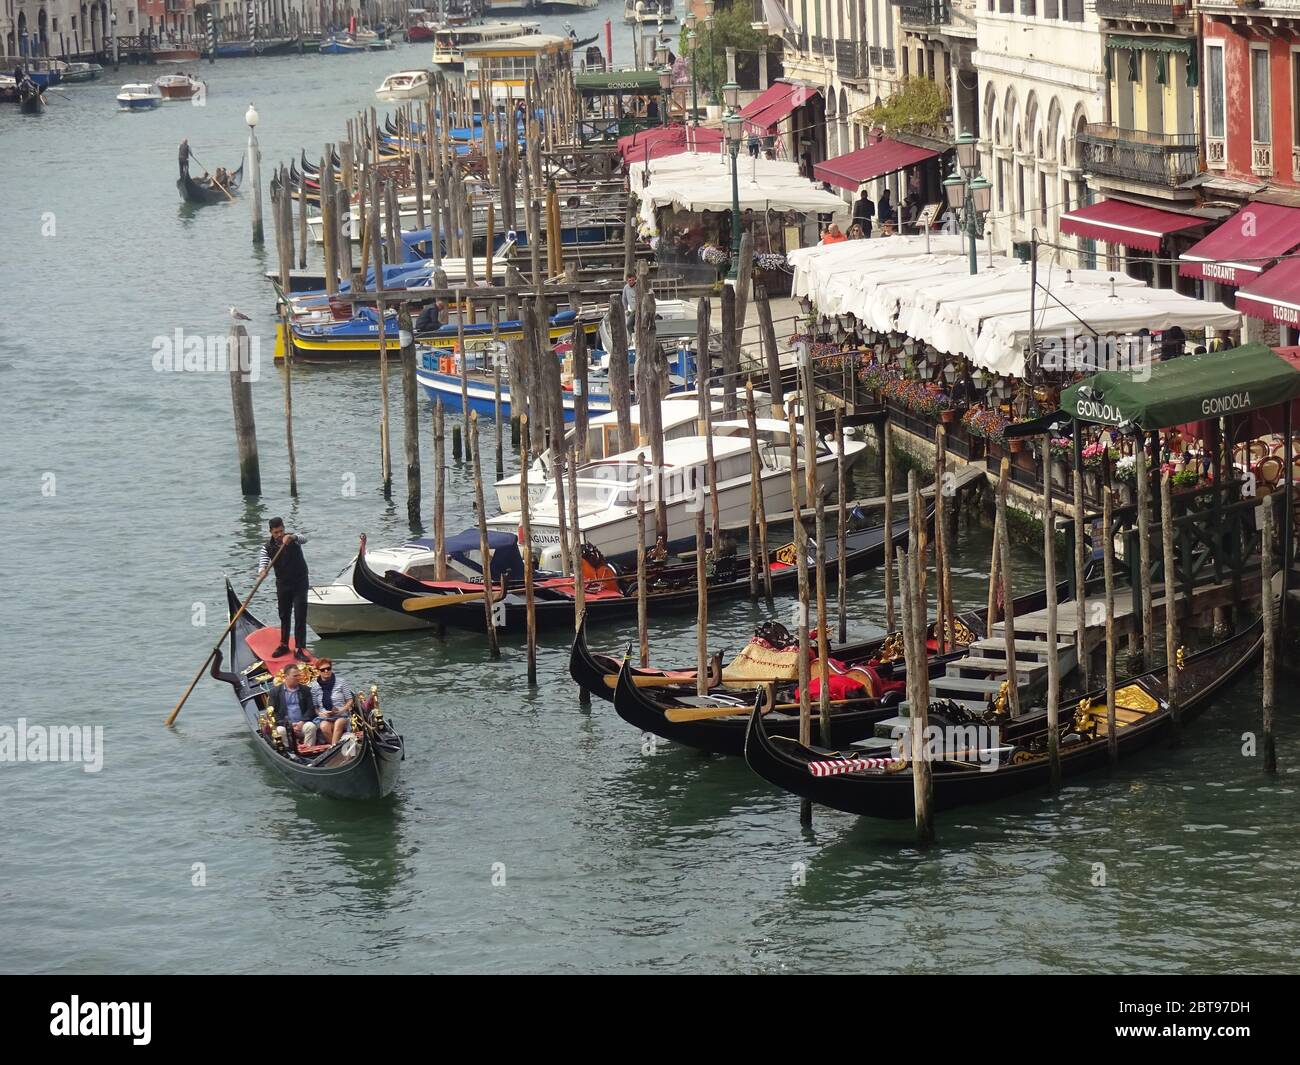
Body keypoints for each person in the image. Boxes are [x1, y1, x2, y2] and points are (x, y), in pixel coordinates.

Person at [257, 517, 311, 661]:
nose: (280, 535)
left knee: (300, 615)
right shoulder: (267, 547)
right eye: (276, 532)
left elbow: (304, 538)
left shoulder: (293, 538)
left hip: (300, 582)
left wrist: (292, 537)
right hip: (283, 584)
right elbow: (263, 562)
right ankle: (284, 644)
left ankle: (300, 648)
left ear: (284, 528)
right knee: (284, 614)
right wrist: (262, 571)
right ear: (271, 532)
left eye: (281, 531)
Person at [268, 665, 319, 750]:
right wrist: (288, 724)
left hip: (302, 724)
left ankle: (308, 750)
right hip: (285, 725)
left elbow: (311, 709)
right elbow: (273, 713)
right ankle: (289, 751)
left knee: (311, 726)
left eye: (299, 675)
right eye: (295, 676)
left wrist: (302, 722)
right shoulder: (275, 692)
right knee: (280, 731)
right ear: (285, 677)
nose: (298, 678)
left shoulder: (306, 690)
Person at [310, 658, 355, 746]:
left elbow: (350, 700)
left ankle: (333, 748)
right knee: (323, 726)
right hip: (325, 717)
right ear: (318, 671)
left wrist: (342, 710)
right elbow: (315, 707)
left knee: (338, 723)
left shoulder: (341, 682)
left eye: (328, 668)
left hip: (341, 715)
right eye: (323, 670)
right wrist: (321, 714)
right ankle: (336, 748)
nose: (326, 671)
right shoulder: (315, 686)